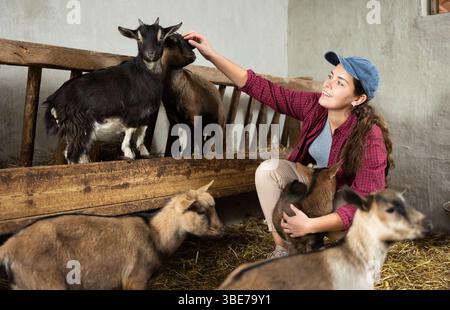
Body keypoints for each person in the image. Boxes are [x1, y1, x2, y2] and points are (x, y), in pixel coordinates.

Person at [183, 31, 394, 258]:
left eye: (340, 83)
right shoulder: (315, 106)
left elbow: (366, 204)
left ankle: (347, 252)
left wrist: (310, 226)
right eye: (331, 76)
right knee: (268, 171)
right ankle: (282, 248)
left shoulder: (369, 137)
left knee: (347, 231)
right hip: (317, 187)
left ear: (358, 99)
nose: (328, 84)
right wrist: (211, 54)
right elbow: (264, 89)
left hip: (342, 198)